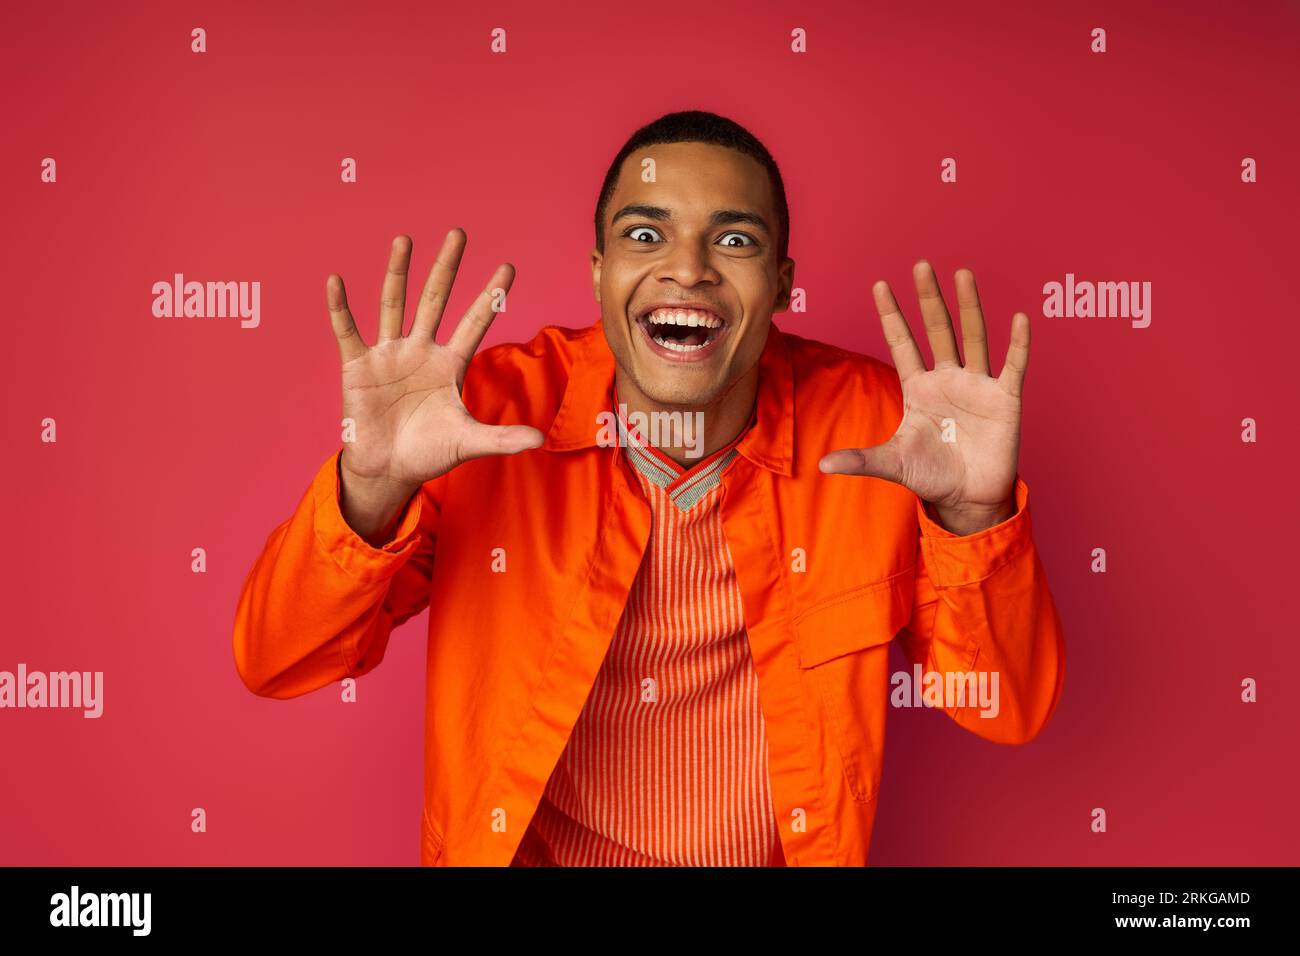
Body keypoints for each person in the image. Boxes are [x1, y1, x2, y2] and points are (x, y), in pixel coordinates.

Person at [233, 109, 1065, 867]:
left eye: (734, 242)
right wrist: (369, 488)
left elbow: (1006, 708)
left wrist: (974, 515)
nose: (689, 270)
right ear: (599, 272)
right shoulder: (482, 420)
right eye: (645, 234)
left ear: (780, 281)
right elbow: (279, 660)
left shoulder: (885, 433)